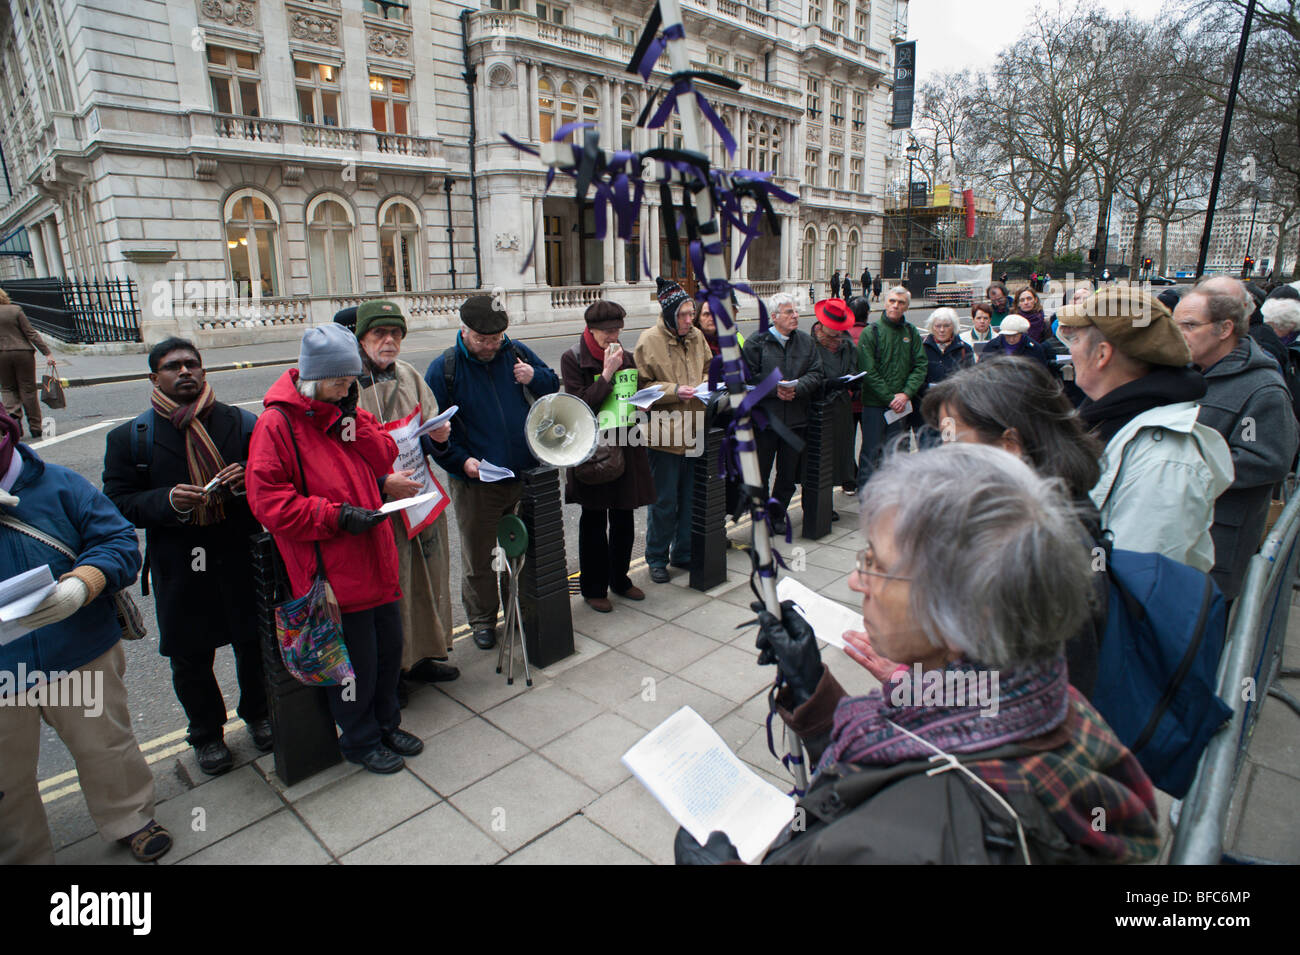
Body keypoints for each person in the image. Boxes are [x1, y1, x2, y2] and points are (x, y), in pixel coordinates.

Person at [676, 443, 1160, 865]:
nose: (855, 581)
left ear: (966, 614)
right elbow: (888, 766)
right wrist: (812, 691)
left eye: (878, 566)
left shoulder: (911, 835)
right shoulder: (1041, 698)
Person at [247, 324, 422, 775]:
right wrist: (335, 515)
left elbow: (384, 455)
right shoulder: (278, 424)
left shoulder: (343, 410)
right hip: (332, 568)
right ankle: (360, 739)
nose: (349, 387)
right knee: (353, 664)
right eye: (341, 381)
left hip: (374, 554)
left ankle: (387, 724)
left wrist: (350, 416)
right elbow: (269, 503)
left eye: (352, 380)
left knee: (387, 652)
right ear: (314, 377)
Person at [0, 408, 172, 864]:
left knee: (106, 744)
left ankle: (131, 817)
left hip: (78, 650)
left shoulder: (58, 484)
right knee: (5, 777)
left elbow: (117, 540)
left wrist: (84, 583)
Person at [101, 337, 269, 776]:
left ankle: (260, 714)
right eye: (173, 366)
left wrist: (246, 482)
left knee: (252, 642)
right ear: (154, 377)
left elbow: (274, 480)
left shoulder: (242, 423)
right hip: (181, 560)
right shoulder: (131, 438)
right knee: (191, 656)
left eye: (192, 364)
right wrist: (167, 500)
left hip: (238, 551)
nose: (185, 372)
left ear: (204, 371)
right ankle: (207, 734)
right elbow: (118, 502)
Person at [921, 357, 1108, 696]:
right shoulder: (1045, 514)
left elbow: (1016, 707)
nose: (942, 456)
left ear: (1009, 446)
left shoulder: (1041, 552)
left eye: (953, 439)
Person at [1056, 285, 1232, 571]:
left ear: (1102, 355)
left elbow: (1134, 585)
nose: (1070, 351)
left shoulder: (1164, 461)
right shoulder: (1110, 418)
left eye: (1074, 339)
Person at [426, 295, 560, 645]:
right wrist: (461, 463)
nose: (489, 346)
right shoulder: (444, 369)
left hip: (524, 474)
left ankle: (519, 609)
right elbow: (433, 433)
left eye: (495, 339)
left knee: (521, 550)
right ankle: (482, 620)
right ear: (464, 331)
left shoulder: (516, 352)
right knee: (481, 556)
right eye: (482, 340)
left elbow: (551, 388)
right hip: (476, 481)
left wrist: (535, 376)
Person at [353, 300, 459, 696]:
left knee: (429, 580)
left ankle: (426, 656)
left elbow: (430, 426)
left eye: (395, 334)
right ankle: (393, 671)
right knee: (392, 588)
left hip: (420, 497)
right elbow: (341, 456)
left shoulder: (410, 375)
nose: (389, 341)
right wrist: (382, 481)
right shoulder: (348, 386)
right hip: (382, 506)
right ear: (362, 338)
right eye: (380, 334)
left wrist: (440, 438)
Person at [1175, 277, 1298, 600]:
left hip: (1217, 545)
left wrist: (1177, 466)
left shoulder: (1261, 389)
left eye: (1189, 325)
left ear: (1225, 328)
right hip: (1180, 534)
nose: (1178, 333)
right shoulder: (1188, 371)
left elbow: (1262, 459)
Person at [561, 301, 655, 612]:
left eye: (618, 330)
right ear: (591, 330)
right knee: (593, 521)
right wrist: (606, 374)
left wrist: (644, 401)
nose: (614, 336)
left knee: (624, 517)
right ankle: (593, 587)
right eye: (608, 331)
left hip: (625, 444)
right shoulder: (572, 358)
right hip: (594, 451)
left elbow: (633, 391)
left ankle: (620, 578)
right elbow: (579, 407)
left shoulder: (625, 355)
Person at [633, 280, 711, 583]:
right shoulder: (648, 340)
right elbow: (641, 386)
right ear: (668, 314)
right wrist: (674, 391)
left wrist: (706, 383)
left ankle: (683, 552)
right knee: (663, 502)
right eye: (682, 315)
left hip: (695, 430)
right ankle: (656, 558)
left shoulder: (696, 337)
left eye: (691, 314)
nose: (689, 320)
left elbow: (708, 367)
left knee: (690, 498)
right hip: (664, 435)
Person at [742, 293, 825, 533]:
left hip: (796, 420)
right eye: (790, 312)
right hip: (765, 422)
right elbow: (747, 379)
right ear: (774, 317)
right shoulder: (756, 342)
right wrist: (773, 389)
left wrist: (797, 388)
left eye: (796, 311)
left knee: (788, 475)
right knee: (761, 473)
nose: (796, 316)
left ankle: (776, 516)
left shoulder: (806, 342)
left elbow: (816, 373)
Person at [855, 286, 925, 492]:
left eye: (901, 302)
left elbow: (920, 366)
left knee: (896, 450)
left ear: (907, 307)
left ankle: (893, 492)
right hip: (875, 405)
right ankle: (866, 492)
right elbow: (868, 371)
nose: (896, 305)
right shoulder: (871, 332)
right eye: (892, 301)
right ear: (885, 303)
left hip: (901, 405)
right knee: (871, 450)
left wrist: (905, 394)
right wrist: (889, 398)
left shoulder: (911, 332)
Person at [810, 299, 858, 510]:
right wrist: (828, 384)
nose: (838, 335)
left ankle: (828, 504)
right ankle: (820, 508)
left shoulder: (847, 345)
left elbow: (855, 368)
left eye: (841, 330)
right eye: (834, 331)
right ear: (822, 325)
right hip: (819, 409)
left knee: (841, 455)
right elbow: (807, 376)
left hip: (842, 408)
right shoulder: (810, 344)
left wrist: (856, 382)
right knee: (820, 460)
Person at [0, 288, 57, 439]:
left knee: (7, 388)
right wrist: (47, 353)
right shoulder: (15, 310)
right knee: (28, 390)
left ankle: (13, 417)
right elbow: (30, 332)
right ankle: (35, 427)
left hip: (1, 355)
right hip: (23, 353)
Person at [919, 308, 974, 399]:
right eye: (938, 326)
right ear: (932, 327)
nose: (942, 330)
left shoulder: (965, 349)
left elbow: (969, 379)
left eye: (946, 326)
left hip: (955, 402)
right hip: (927, 402)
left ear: (953, 327)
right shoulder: (922, 347)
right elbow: (915, 377)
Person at [982, 314, 1052, 370]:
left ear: (1021, 333)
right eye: (1008, 336)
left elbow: (1042, 373)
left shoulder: (1034, 349)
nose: (1011, 339)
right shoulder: (991, 347)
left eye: (1015, 335)